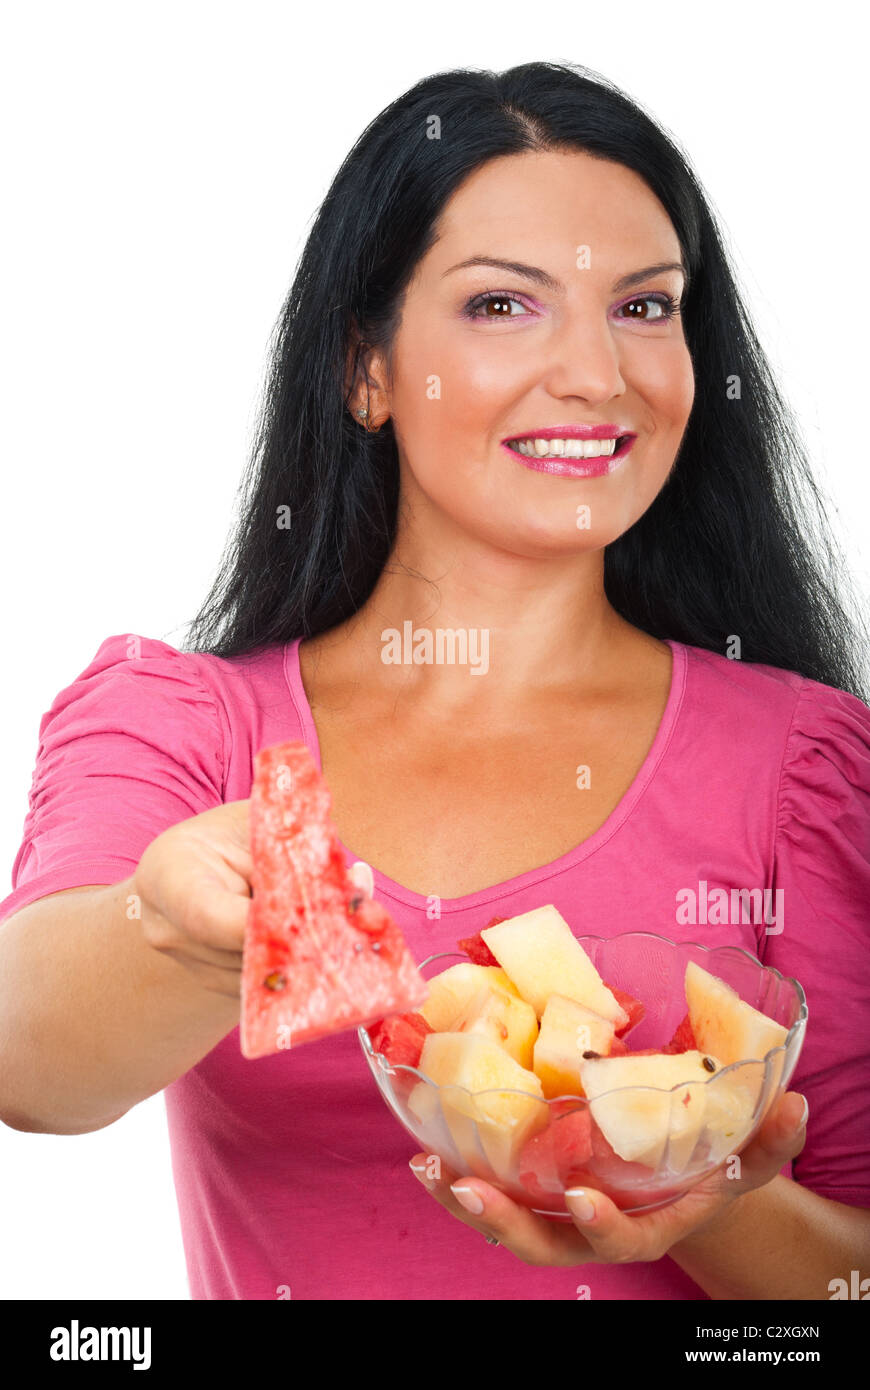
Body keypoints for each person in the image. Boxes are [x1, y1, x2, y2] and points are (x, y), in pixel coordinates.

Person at [1, 61, 868, 1301]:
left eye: (646, 306)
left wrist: (687, 1196)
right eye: (505, 306)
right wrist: (184, 935)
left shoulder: (810, 763)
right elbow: (28, 1065)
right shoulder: (185, 723)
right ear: (365, 369)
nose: (596, 374)